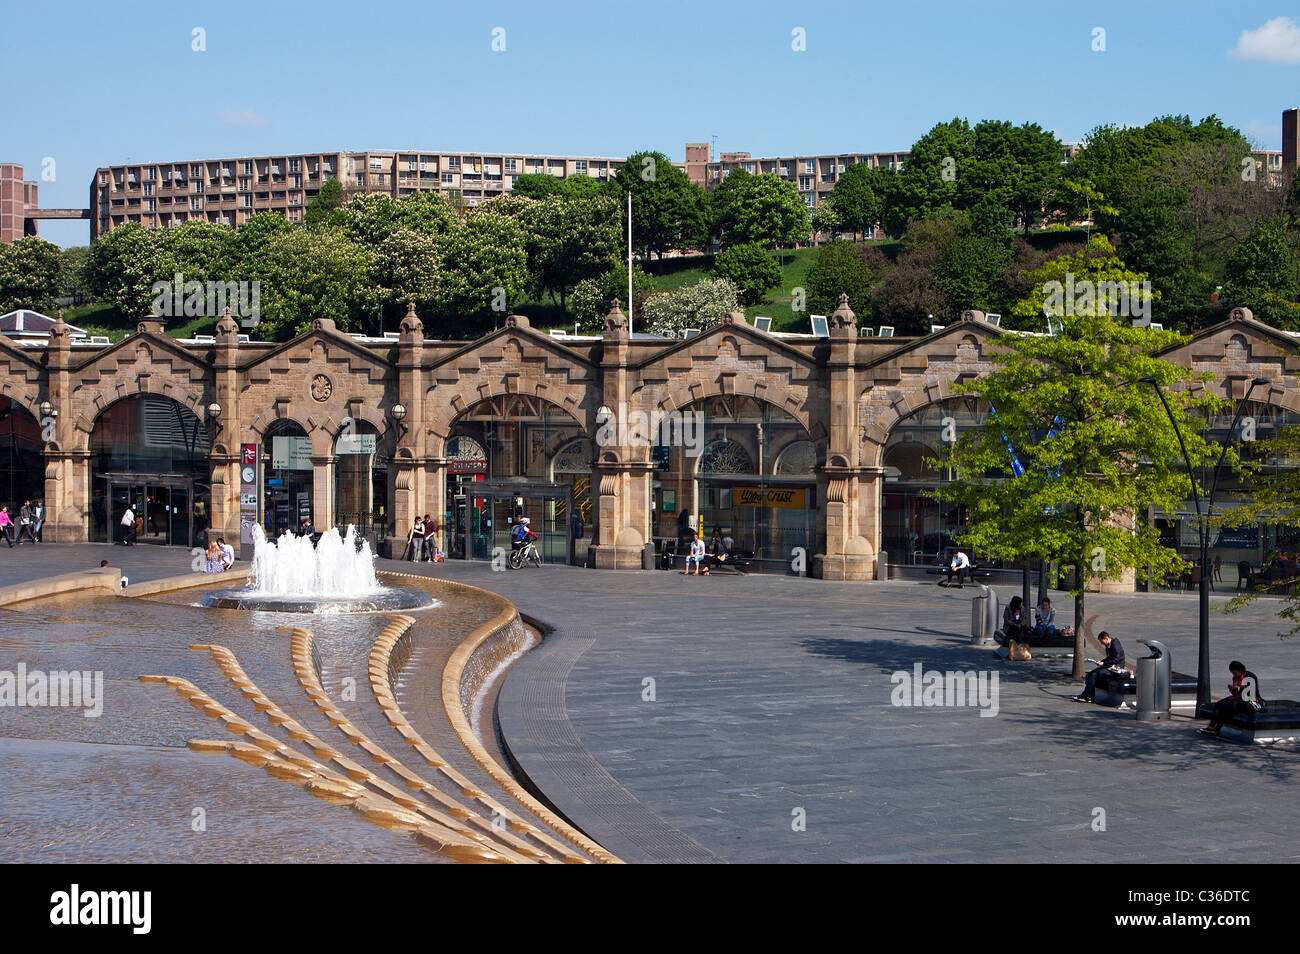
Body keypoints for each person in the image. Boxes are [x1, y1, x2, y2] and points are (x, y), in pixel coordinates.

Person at [1200, 661, 1264, 737]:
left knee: (1228, 708)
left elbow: (1250, 692)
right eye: (1232, 673)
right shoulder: (1235, 678)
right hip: (1238, 698)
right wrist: (1232, 689)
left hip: (1251, 701)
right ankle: (1211, 726)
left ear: (1239, 670)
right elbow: (1235, 693)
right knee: (1219, 704)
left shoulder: (1250, 677)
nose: (1233, 674)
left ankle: (1217, 729)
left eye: (1234, 672)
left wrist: (1239, 688)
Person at [1074, 631, 1126, 703]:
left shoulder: (1115, 644)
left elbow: (1116, 659)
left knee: (1095, 674)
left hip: (1116, 668)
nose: (1101, 643)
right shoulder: (1108, 646)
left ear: (1106, 638)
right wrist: (1101, 661)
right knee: (1090, 674)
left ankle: (1087, 696)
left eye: (1102, 641)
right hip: (1109, 666)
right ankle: (1087, 695)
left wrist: (1104, 663)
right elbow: (1109, 657)